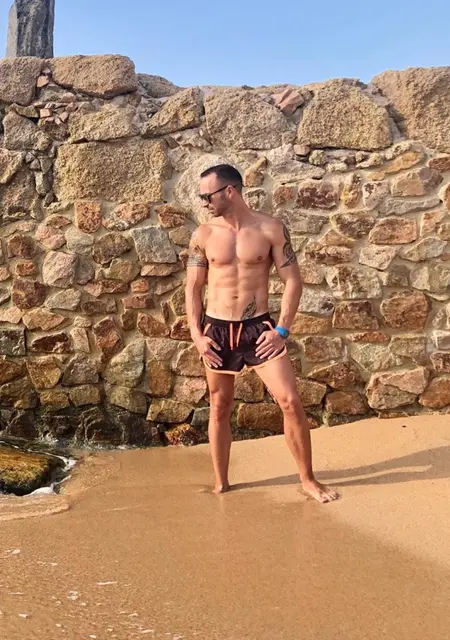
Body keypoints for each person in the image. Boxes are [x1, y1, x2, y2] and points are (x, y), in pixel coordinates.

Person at [185, 164, 338, 503]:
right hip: (217, 331)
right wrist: (197, 335)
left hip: (259, 328)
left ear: (230, 191)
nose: (203, 203)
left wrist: (282, 329)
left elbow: (293, 281)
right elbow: (193, 289)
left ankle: (308, 479)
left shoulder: (271, 228)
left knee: (290, 401)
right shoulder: (203, 235)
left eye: (207, 196)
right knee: (219, 406)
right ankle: (222, 482)